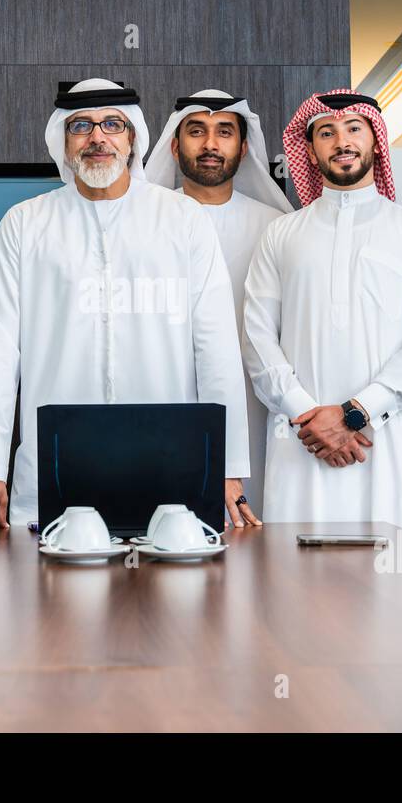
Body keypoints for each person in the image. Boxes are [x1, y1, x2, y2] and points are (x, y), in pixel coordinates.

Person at [0, 78, 249, 532]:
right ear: (63, 142)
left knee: (174, 597)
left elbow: (217, 349)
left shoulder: (183, 220)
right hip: (57, 465)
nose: (97, 137)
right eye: (81, 126)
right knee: (54, 597)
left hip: (171, 461)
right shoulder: (24, 224)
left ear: (133, 139)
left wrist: (225, 466)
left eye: (113, 124)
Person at [243, 90, 402, 534]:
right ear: (310, 148)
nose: (342, 141)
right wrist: (308, 415)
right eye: (327, 132)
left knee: (398, 593)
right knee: (298, 589)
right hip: (302, 444)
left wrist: (358, 412)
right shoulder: (282, 234)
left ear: (375, 140)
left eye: (354, 128)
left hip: (390, 445)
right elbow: (258, 338)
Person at [144, 89, 290, 522]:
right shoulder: (144, 223)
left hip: (254, 400)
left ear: (243, 148)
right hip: (163, 395)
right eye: (197, 132)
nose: (210, 144)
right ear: (174, 144)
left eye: (224, 132)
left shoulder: (276, 227)